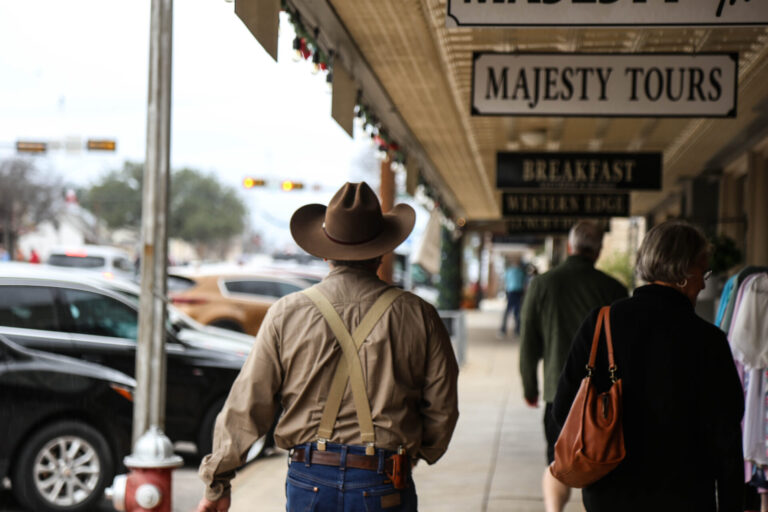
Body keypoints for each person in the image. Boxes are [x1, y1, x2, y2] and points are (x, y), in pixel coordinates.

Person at [195, 182, 459, 512]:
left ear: (323, 251)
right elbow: (443, 407)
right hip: (385, 480)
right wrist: (413, 453)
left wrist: (217, 482)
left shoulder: (286, 312)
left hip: (309, 476)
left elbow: (248, 402)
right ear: (382, 251)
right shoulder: (419, 315)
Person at [552, 220, 744, 512]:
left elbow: (563, 408)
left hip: (609, 495)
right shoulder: (710, 341)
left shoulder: (601, 323)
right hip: (686, 498)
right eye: (702, 271)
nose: (704, 282)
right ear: (684, 271)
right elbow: (727, 438)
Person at [519, 221, 627, 512]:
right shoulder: (613, 288)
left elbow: (528, 341)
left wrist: (530, 386)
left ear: (570, 247)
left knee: (558, 462)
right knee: (603, 461)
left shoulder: (542, 284)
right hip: (603, 397)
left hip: (558, 393)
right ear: (598, 250)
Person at [499, 255, 526, 337]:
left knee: (509, 311)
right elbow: (524, 283)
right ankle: (517, 330)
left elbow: (506, 282)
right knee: (516, 312)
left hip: (512, 292)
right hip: (517, 292)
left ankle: (504, 330)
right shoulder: (520, 272)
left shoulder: (510, 271)